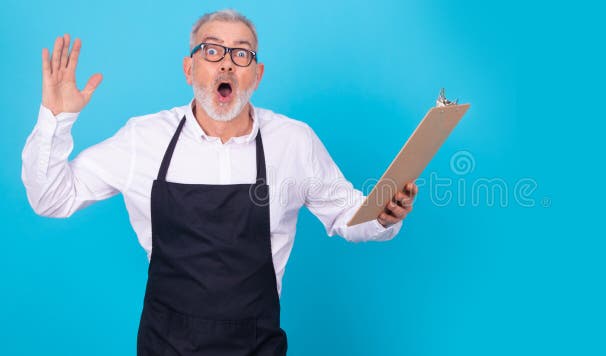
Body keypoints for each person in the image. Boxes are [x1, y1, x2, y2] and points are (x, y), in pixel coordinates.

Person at [22, 9, 417, 356]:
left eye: (241, 53)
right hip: (165, 348)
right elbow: (52, 200)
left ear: (257, 74)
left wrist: (383, 215)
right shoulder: (143, 139)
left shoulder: (294, 142)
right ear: (189, 68)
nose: (226, 63)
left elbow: (347, 215)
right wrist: (55, 119)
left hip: (258, 347)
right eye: (212, 51)